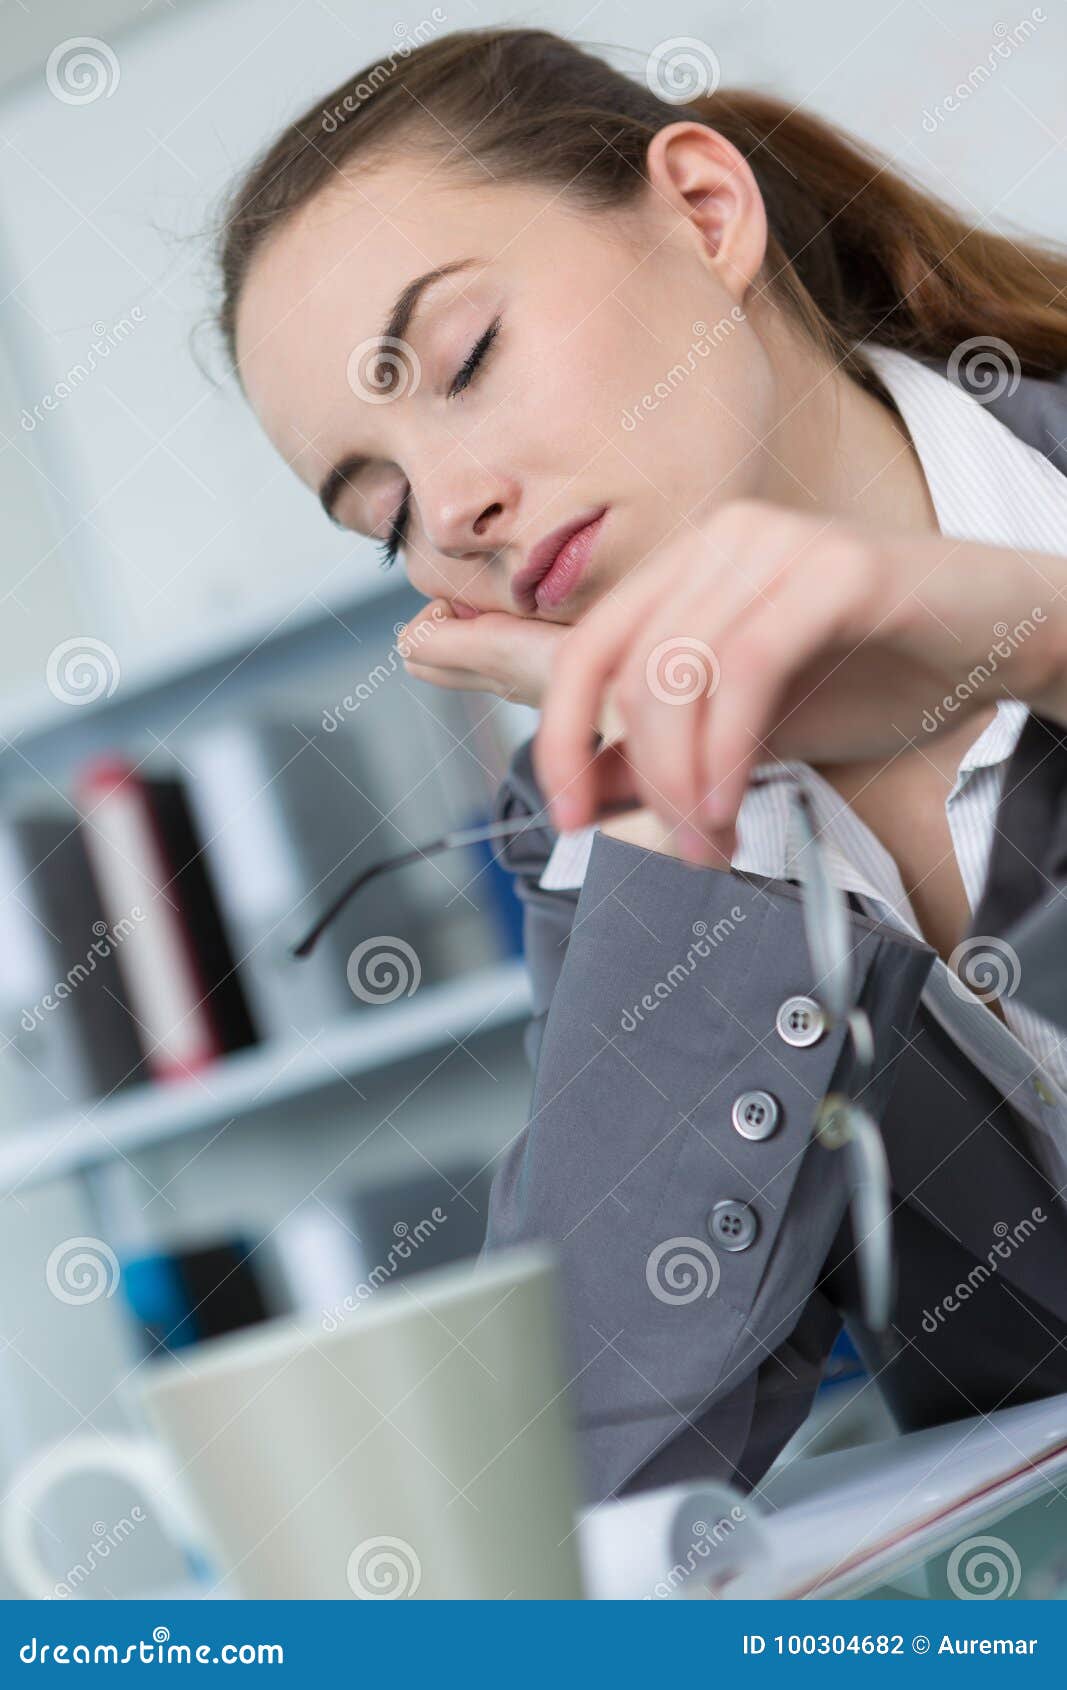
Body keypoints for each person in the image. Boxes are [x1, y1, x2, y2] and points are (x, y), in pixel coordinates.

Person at [212, 26, 1067, 1504]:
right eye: (383, 513)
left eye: (468, 360)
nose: (454, 510)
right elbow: (588, 1479)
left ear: (705, 212)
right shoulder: (598, 845)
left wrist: (1033, 629)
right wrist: (675, 834)